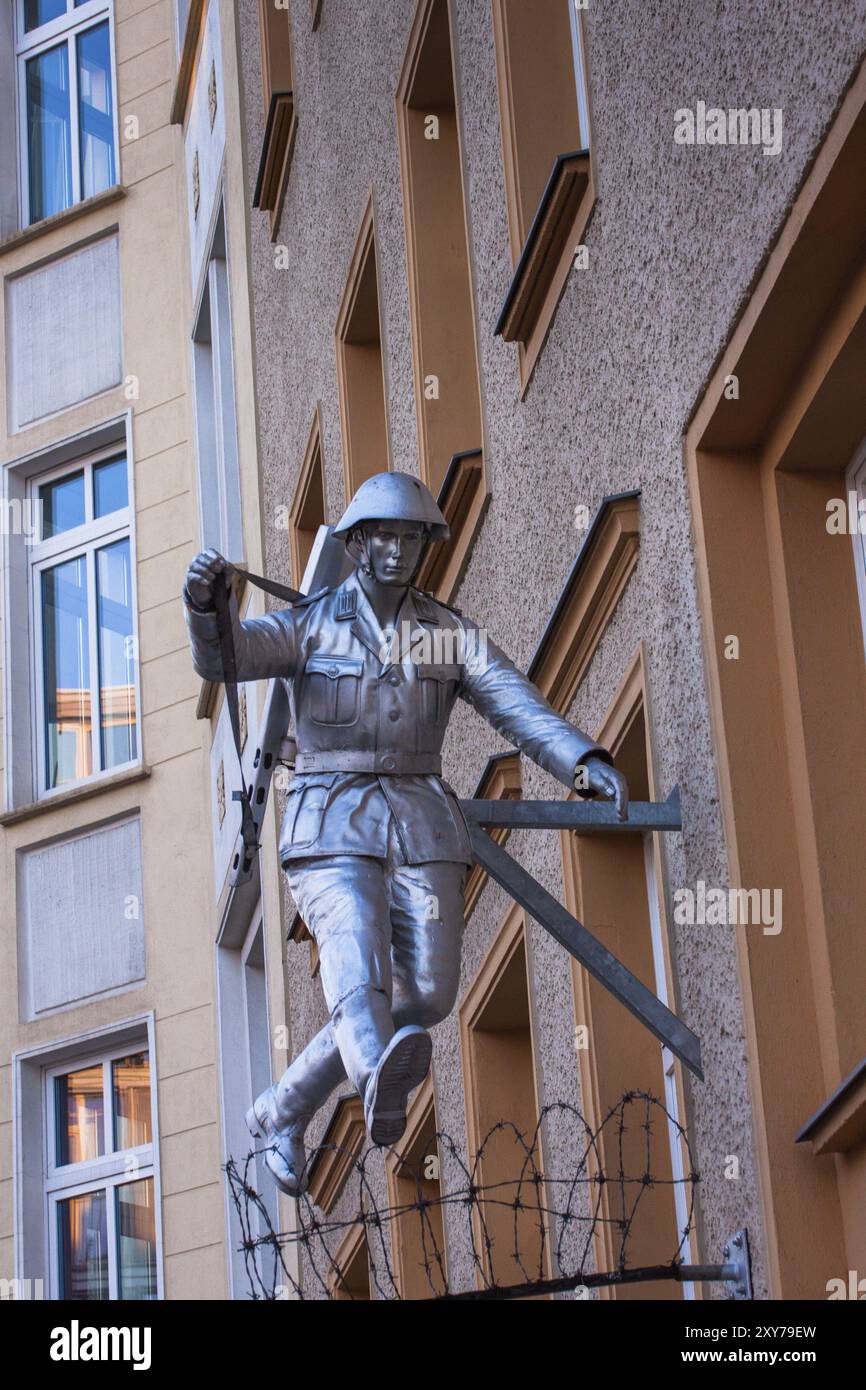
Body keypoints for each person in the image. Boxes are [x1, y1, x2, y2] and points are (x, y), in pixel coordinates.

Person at [184, 472, 628, 1195]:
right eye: (384, 535)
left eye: (412, 536)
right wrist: (206, 606)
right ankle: (375, 1084)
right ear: (358, 543)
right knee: (357, 967)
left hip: (421, 817)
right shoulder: (310, 623)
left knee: (425, 993)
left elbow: (514, 702)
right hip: (330, 818)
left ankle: (285, 1107)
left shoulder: (447, 634)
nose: (398, 549)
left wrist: (581, 759)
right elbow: (228, 656)